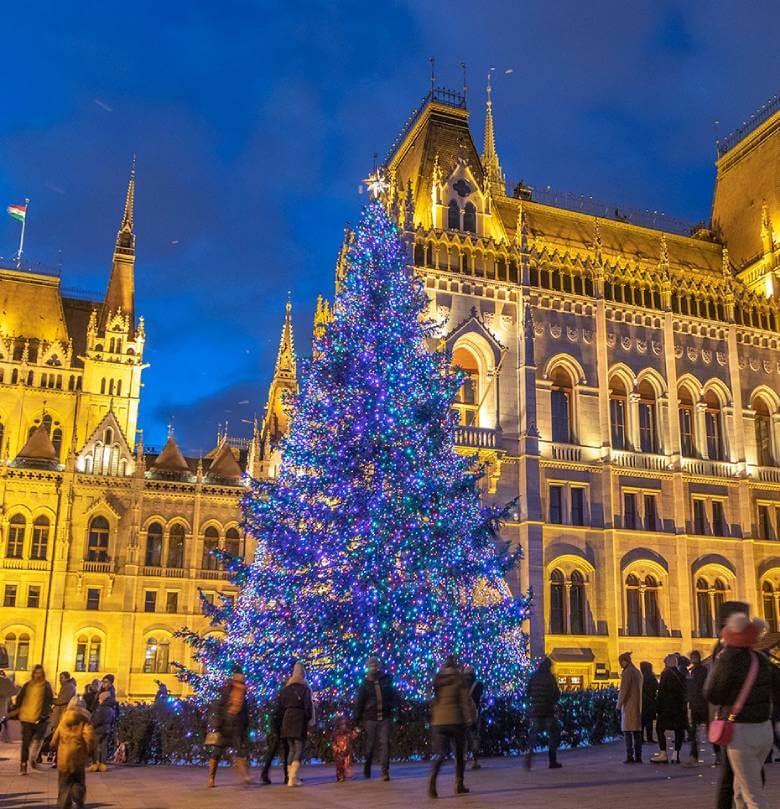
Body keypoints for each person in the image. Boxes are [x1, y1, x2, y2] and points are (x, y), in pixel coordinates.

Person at [705, 613, 780, 809]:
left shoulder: (728, 659)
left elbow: (712, 693)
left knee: (752, 795)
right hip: (764, 730)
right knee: (740, 789)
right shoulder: (761, 659)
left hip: (741, 732)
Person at [428, 656, 474, 799]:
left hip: (439, 722)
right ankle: (459, 784)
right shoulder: (459, 678)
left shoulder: (438, 679)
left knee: (441, 754)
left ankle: (433, 780)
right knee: (459, 754)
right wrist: (470, 718)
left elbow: (433, 699)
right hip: (456, 721)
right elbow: (464, 701)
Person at [206, 667, 251, 788]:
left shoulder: (243, 693)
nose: (241, 680)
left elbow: (244, 712)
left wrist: (245, 726)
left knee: (240, 751)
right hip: (224, 726)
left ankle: (245, 776)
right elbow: (219, 708)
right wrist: (217, 726)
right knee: (217, 752)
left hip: (237, 727)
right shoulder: (227, 691)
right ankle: (211, 778)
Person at [354, 656, 395, 780]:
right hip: (370, 718)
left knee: (385, 743)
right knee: (370, 745)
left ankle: (384, 771)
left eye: (375, 665)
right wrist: (357, 720)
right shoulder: (365, 684)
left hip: (384, 717)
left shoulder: (386, 680)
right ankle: (367, 765)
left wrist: (395, 708)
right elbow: (360, 703)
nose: (374, 668)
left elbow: (392, 696)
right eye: (371, 666)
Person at [275, 661, 313, 787]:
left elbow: (280, 706)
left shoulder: (286, 688)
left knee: (291, 748)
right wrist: (308, 719)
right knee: (299, 748)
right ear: (303, 673)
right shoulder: (305, 688)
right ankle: (293, 777)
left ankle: (290, 776)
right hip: (299, 718)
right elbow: (308, 707)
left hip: (287, 718)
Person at [12, 663, 54, 774]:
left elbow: (49, 700)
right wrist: (18, 708)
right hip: (26, 717)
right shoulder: (27, 685)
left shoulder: (46, 686)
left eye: (40, 673)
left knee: (38, 740)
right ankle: (23, 764)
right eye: (36, 673)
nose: (38, 675)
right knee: (26, 743)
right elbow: (19, 698)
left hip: (40, 718)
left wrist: (44, 714)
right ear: (33, 674)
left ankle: (33, 759)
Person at [52, 698, 93, 809]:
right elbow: (89, 737)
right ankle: (78, 800)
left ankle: (63, 804)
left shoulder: (65, 716)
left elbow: (55, 737)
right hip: (78, 757)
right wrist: (91, 751)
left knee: (64, 782)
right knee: (78, 779)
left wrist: (56, 747)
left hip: (64, 757)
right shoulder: (85, 718)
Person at [525, 657, 562, 770]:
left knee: (534, 734)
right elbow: (556, 693)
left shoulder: (534, 676)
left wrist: (533, 702)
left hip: (535, 710)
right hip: (547, 710)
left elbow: (528, 691)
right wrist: (552, 702)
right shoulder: (549, 677)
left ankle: (530, 753)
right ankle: (552, 760)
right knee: (553, 733)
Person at [651, 654, 687, 763]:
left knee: (660, 729)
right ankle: (676, 754)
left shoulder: (665, 674)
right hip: (679, 707)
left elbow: (661, 692)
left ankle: (663, 753)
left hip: (666, 708)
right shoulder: (681, 675)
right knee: (679, 730)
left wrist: (657, 708)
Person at [684, 650, 709, 767]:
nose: (693, 659)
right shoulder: (692, 671)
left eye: (694, 657)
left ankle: (719, 755)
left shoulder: (701, 671)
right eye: (692, 657)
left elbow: (700, 686)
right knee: (694, 733)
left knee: (710, 732)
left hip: (703, 704)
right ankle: (693, 757)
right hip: (696, 705)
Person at [617, 652, 643, 763]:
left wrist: (618, 705)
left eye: (620, 662)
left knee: (627, 731)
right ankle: (638, 756)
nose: (620, 665)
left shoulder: (627, 673)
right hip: (637, 705)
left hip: (628, 705)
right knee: (637, 732)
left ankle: (629, 756)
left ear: (624, 661)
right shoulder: (637, 672)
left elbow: (623, 691)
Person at [48, 672, 78, 766]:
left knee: (60, 738)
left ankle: (58, 759)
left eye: (62, 677)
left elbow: (62, 700)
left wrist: (50, 700)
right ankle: (56, 758)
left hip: (63, 716)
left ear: (67, 678)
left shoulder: (69, 686)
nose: (60, 679)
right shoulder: (66, 686)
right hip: (61, 715)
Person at [461, 664, 484, 770]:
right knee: (474, 737)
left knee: (463, 739)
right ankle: (475, 761)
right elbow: (479, 698)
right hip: (475, 714)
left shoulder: (460, 684)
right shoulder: (478, 684)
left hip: (463, 715)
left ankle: (463, 760)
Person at [88, 691, 114, 773]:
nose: (99, 700)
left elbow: (97, 720)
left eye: (99, 698)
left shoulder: (101, 708)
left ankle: (95, 763)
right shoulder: (111, 707)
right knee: (103, 747)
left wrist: (92, 725)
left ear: (103, 699)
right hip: (107, 729)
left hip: (98, 730)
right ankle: (103, 764)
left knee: (95, 746)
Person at [331, 713, 358, 782]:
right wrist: (336, 749)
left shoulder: (348, 733)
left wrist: (357, 731)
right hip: (338, 753)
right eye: (342, 725)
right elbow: (333, 743)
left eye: (345, 724)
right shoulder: (336, 734)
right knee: (339, 765)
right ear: (338, 725)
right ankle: (340, 776)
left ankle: (347, 774)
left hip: (347, 752)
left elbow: (353, 736)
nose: (344, 726)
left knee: (347, 764)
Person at [639, 661, 658, 744]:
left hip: (642, 701)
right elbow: (657, 686)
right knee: (649, 721)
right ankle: (649, 737)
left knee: (642, 721)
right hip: (650, 700)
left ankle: (641, 738)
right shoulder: (651, 676)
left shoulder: (640, 677)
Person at [0, 670, 19, 743]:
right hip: (2, 711)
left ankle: (6, 738)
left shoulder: (5, 683)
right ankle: (6, 738)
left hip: (3, 711)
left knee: (5, 724)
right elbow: (14, 692)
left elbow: (12, 693)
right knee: (5, 724)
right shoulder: (5, 682)